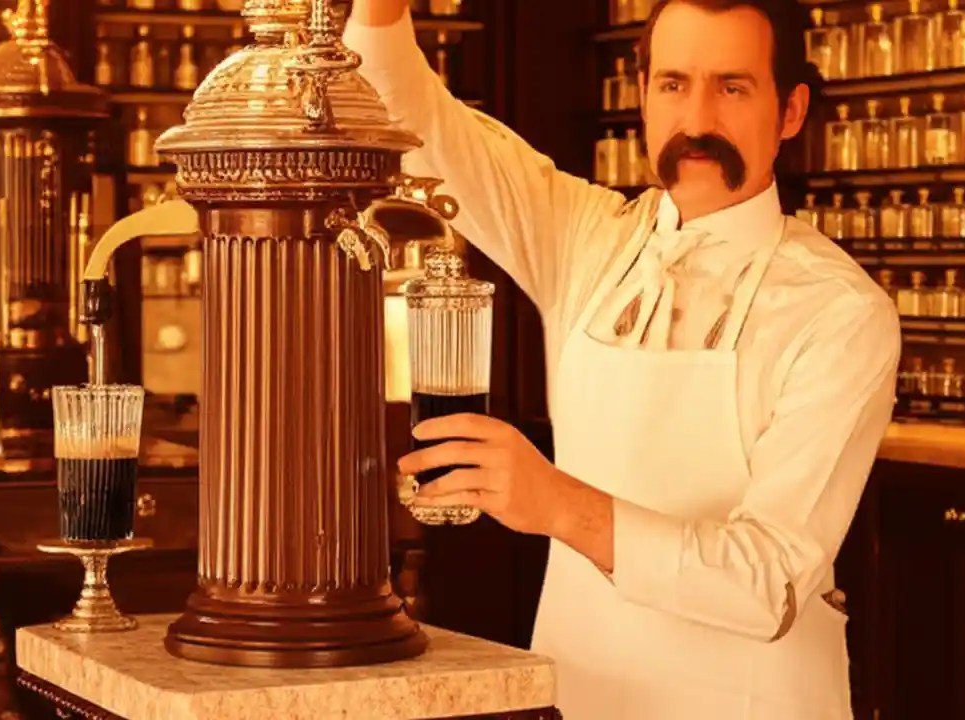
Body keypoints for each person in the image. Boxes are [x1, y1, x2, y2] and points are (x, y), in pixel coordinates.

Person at [345, 0, 901, 717]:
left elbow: (771, 583)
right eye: (673, 83)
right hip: (583, 692)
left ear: (790, 111)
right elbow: (410, 115)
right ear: (641, 95)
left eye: (732, 87)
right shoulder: (587, 238)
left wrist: (553, 502)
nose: (697, 119)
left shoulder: (840, 313)